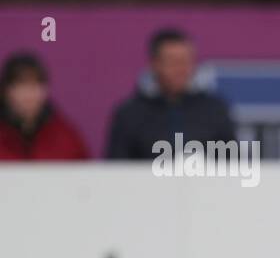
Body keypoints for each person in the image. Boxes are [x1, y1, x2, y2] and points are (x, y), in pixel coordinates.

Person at [105, 28, 236, 159]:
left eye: (186, 61)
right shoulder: (129, 114)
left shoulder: (215, 110)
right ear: (154, 64)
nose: (181, 69)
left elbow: (232, 163)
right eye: (172, 62)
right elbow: (116, 168)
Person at [0, 53, 90, 161]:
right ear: (6, 90)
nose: (29, 93)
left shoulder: (66, 136)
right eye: (21, 84)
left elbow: (86, 174)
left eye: (36, 84)